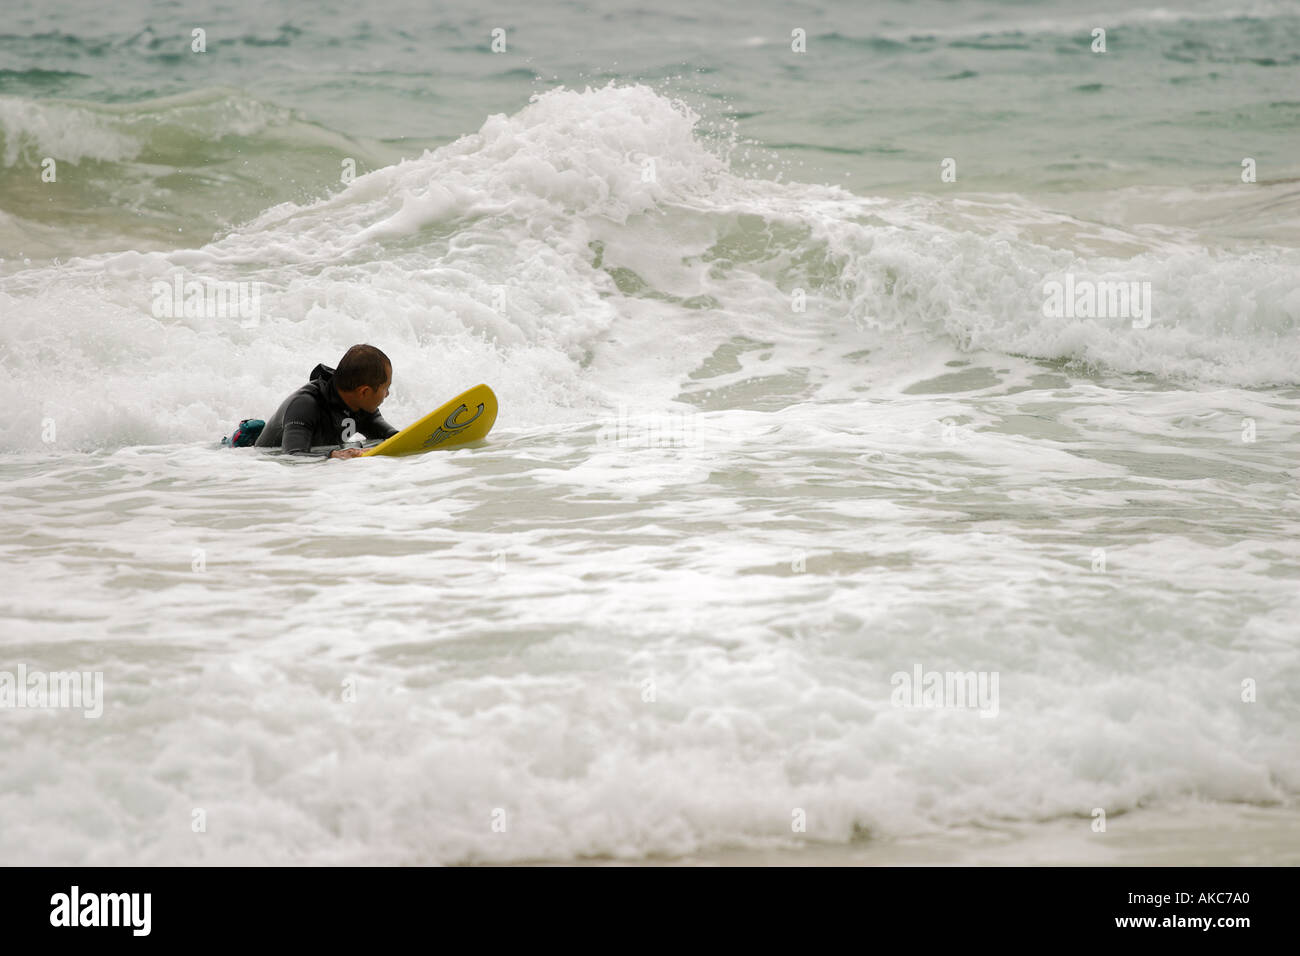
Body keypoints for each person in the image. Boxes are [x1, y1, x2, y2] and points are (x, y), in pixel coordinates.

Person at [255, 344, 399, 459]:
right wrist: (332, 455)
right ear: (364, 391)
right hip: (263, 464)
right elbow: (292, 456)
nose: (387, 394)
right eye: (386, 388)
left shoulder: (362, 406)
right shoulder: (304, 405)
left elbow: (391, 437)